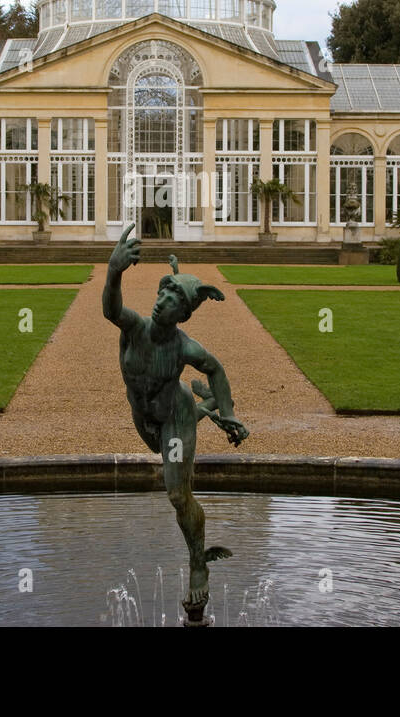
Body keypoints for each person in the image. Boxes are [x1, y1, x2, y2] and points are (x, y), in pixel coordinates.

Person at [102, 224, 249, 613]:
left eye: (172, 297)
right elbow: (111, 309)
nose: (161, 300)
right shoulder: (135, 329)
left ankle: (198, 562)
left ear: (183, 311)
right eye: (162, 291)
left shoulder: (185, 346)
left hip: (173, 418)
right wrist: (113, 270)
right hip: (144, 419)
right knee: (173, 464)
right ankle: (208, 407)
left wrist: (231, 412)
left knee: (176, 492)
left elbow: (216, 368)